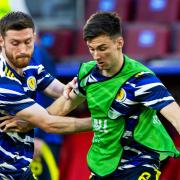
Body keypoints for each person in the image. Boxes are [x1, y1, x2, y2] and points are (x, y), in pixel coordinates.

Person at [46, 12, 180, 180]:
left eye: (102, 48)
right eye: (91, 49)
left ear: (119, 43)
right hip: (103, 162)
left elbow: (176, 117)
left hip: (139, 160)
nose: (96, 56)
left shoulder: (141, 80)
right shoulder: (88, 74)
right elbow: (62, 107)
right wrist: (28, 118)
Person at [0, 11, 90, 180]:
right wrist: (103, 123)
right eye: (15, 43)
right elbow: (49, 124)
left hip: (19, 169)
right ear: (1, 41)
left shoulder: (30, 64)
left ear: (34, 37)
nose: (23, 50)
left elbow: (64, 94)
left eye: (28, 42)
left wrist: (76, 89)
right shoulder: (3, 80)